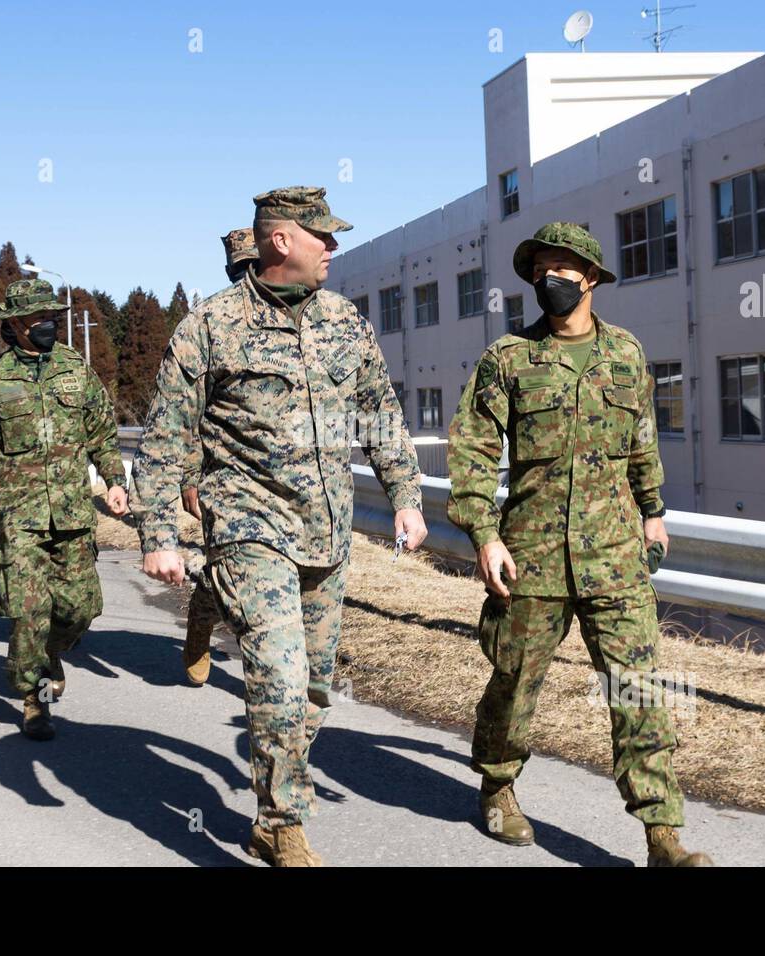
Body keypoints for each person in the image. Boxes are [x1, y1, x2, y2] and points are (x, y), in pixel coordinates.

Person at [135, 186, 427, 866]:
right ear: (279, 241)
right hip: (246, 524)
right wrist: (158, 535)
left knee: (315, 690)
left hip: (327, 531)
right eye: (321, 235)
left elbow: (378, 413)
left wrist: (406, 496)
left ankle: (279, 783)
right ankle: (280, 820)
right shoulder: (210, 326)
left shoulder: (346, 322)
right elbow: (164, 436)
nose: (334, 247)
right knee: (281, 675)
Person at [446, 222, 713, 867]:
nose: (549, 280)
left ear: (590, 278)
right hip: (530, 555)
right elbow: (474, 452)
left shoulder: (626, 354)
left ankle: (662, 835)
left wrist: (653, 511)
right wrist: (484, 534)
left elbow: (643, 439)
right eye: (540, 271)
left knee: (639, 688)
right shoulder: (507, 359)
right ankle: (498, 784)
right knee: (513, 681)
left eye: (562, 269)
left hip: (615, 555)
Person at [0, 278, 129, 740]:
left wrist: (114, 481)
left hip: (73, 510)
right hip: (22, 513)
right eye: (38, 318)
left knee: (80, 609)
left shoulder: (75, 369)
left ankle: (51, 652)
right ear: (15, 323)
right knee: (29, 608)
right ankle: (35, 698)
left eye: (53, 317)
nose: (48, 325)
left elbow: (102, 432)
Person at [178, 226, 260, 687]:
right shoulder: (212, 325)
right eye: (242, 269)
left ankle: (271, 673)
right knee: (226, 573)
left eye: (256, 265)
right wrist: (190, 477)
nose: (250, 276)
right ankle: (201, 619)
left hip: (285, 484)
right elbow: (186, 414)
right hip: (223, 480)